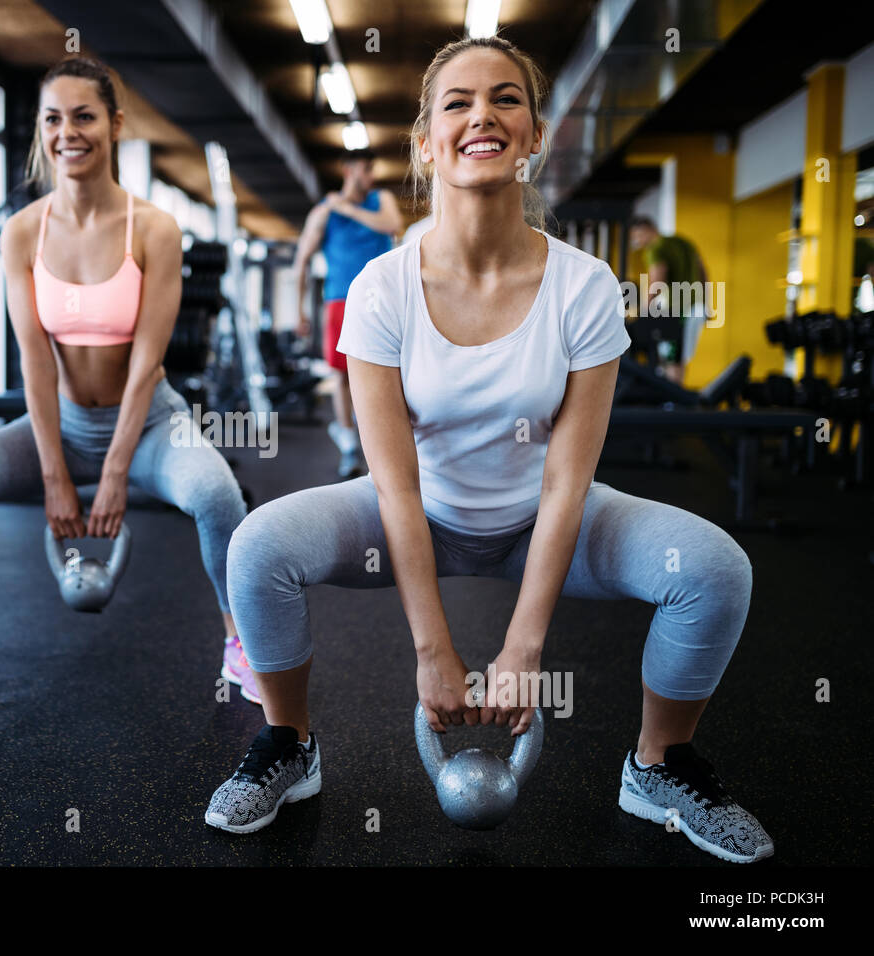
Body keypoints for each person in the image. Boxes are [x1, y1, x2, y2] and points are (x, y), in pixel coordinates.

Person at [206, 35, 774, 863]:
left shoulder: (582, 287)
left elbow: (567, 484)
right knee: (257, 546)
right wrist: (433, 649)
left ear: (535, 134)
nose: (484, 115)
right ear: (428, 142)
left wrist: (522, 648)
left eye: (507, 99)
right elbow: (394, 487)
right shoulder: (383, 289)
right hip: (418, 510)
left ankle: (658, 763)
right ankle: (288, 744)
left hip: (548, 518)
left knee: (715, 570)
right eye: (458, 102)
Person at [0, 57, 255, 701]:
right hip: (60, 423)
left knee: (218, 501)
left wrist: (114, 475)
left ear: (114, 124)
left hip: (152, 421)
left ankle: (240, 642)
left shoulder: (155, 229)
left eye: (84, 116)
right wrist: (55, 475)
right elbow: (34, 359)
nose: (67, 132)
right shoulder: (23, 231)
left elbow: (147, 363)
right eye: (53, 118)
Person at [293, 149, 403, 478]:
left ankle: (386, 444)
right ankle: (349, 444)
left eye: (373, 169)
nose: (371, 176)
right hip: (340, 299)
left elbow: (393, 225)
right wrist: (299, 310)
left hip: (381, 298)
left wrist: (348, 209)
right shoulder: (323, 214)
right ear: (348, 169)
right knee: (341, 374)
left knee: (389, 370)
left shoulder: (379, 199)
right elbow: (301, 261)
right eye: (366, 169)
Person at [629, 216, 708, 384]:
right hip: (697, 307)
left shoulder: (655, 248)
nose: (637, 242)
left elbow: (657, 281)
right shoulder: (684, 242)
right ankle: (674, 399)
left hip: (676, 310)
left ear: (646, 229)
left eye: (637, 237)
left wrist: (644, 310)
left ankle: (671, 402)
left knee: (671, 358)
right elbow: (703, 273)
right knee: (680, 357)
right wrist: (706, 304)